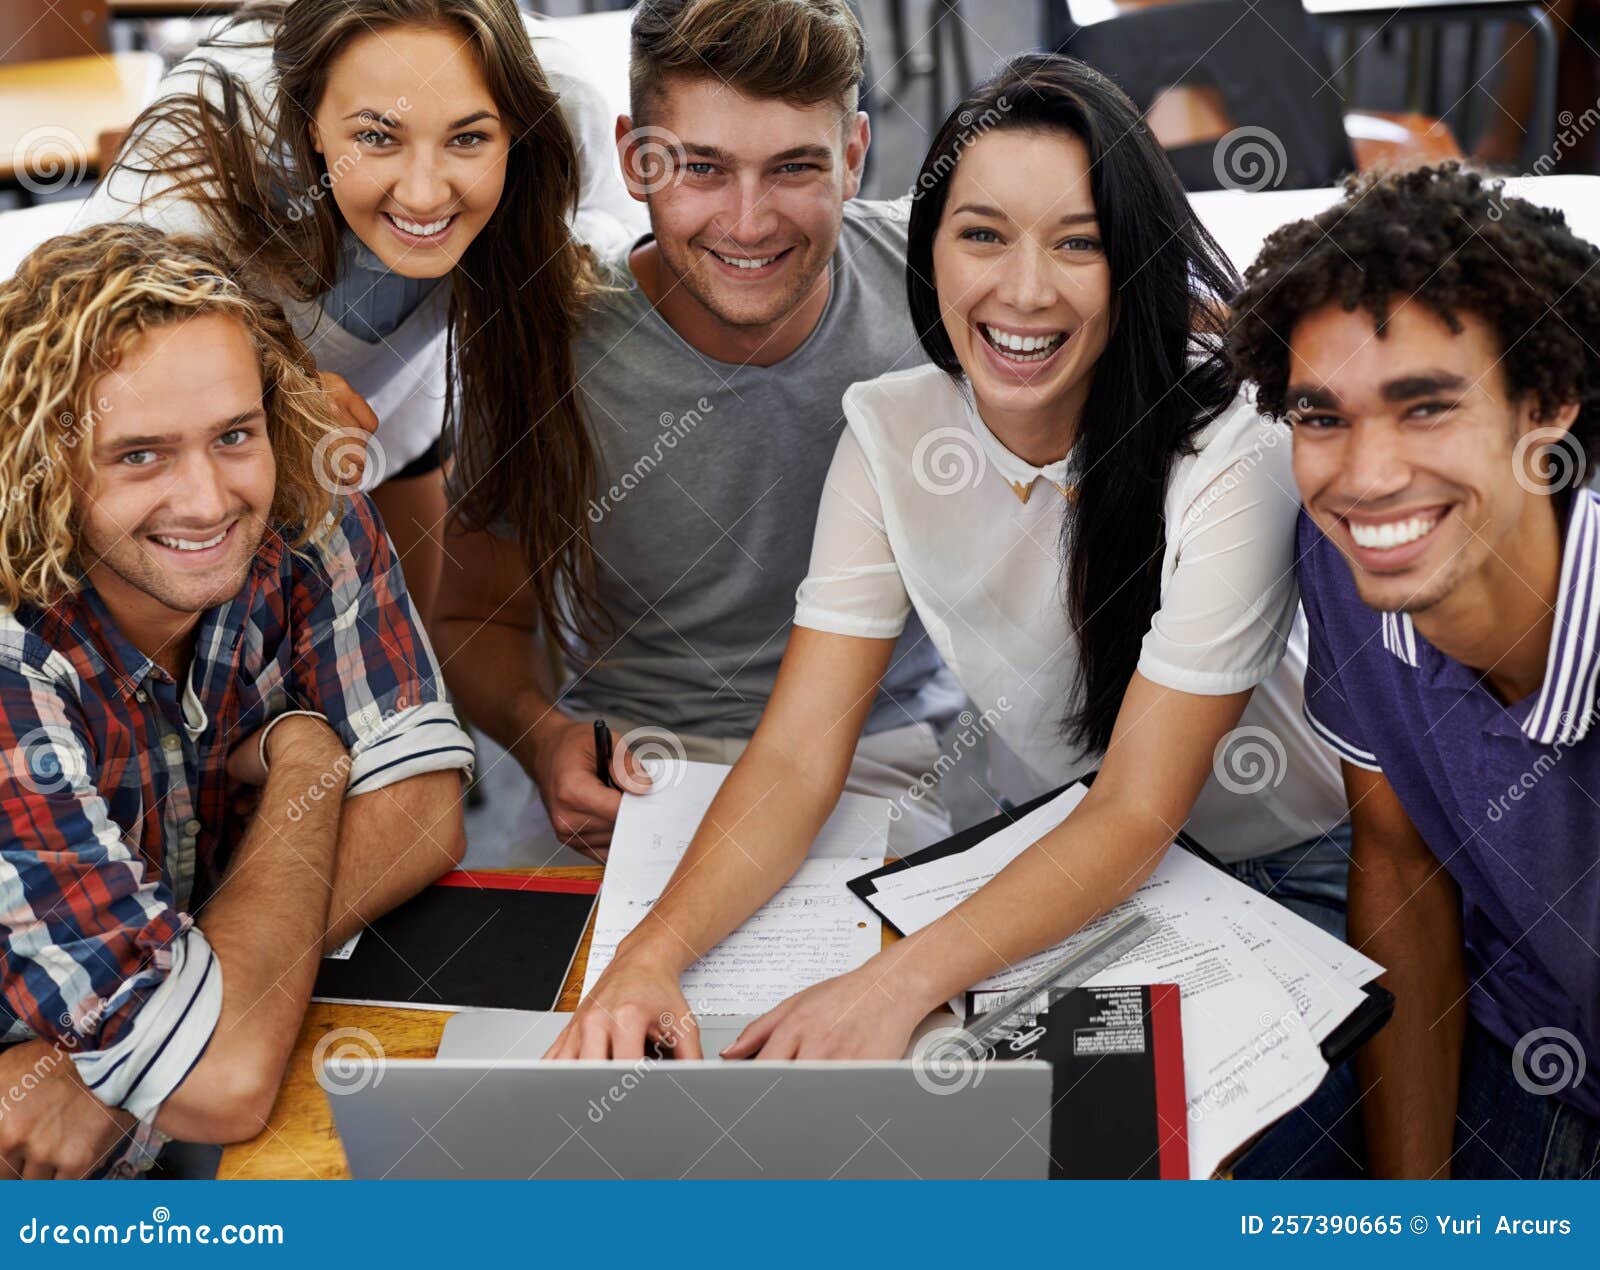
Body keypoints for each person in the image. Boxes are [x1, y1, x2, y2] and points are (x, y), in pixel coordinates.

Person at [545, 53, 1351, 1064]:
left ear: (1134, 260)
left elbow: (1138, 806)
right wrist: (648, 957)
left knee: (1128, 1142)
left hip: (1274, 868)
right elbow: (795, 758)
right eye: (982, 235)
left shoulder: (1234, 446)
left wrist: (888, 986)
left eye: (1079, 243)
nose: (1024, 289)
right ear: (928, 252)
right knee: (921, 1120)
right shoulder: (892, 432)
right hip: (1049, 856)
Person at [0, 223, 474, 1180]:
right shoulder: (13, 653)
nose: (210, 500)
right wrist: (312, 757)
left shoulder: (303, 502)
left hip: (140, 1109)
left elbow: (421, 815)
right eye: (141, 456)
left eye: (233, 436)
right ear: (44, 463)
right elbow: (221, 1081)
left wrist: (142, 1051)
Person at [436, 0, 960, 862]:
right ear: (635, 160)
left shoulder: (944, 289)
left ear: (853, 158)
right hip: (630, 761)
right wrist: (543, 740)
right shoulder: (544, 345)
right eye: (703, 169)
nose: (748, 223)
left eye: (794, 167)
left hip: (874, 749)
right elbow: (475, 614)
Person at [1228, 163, 1600, 1179]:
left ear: (1547, 403)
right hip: (1533, 1038)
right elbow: (1400, 864)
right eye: (1322, 416)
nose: (1368, 476)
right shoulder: (1348, 569)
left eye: (1426, 407)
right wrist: (1415, 1222)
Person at [73, 0, 635, 625]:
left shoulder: (556, 94)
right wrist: (274, 392)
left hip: (401, 404)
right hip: (226, 446)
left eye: (469, 137)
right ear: (311, 121)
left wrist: (571, 267)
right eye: (376, 136)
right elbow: (75, 361)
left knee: (403, 652)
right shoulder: (200, 158)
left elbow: (614, 232)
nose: (424, 196)